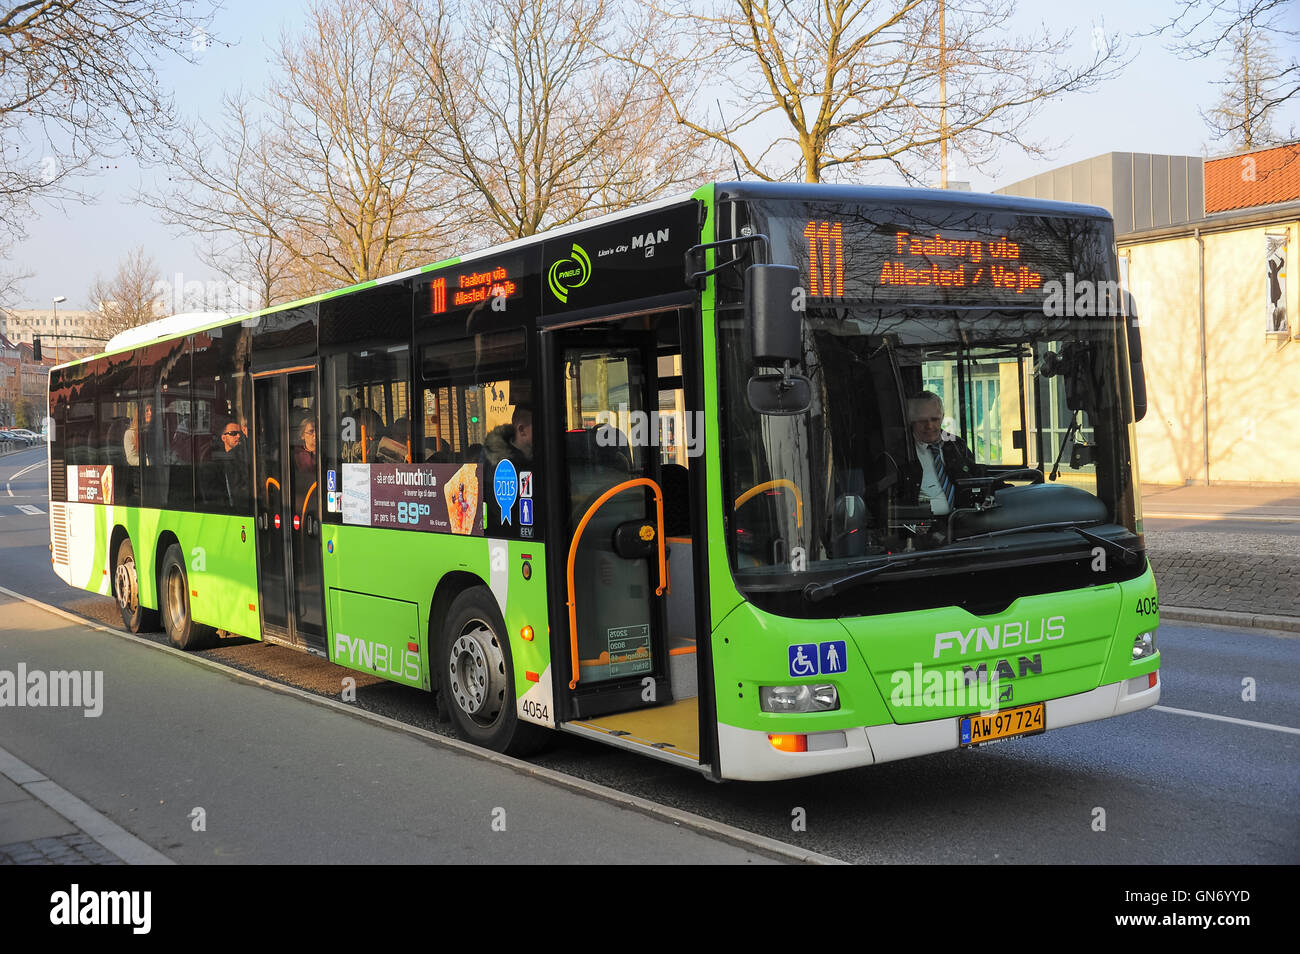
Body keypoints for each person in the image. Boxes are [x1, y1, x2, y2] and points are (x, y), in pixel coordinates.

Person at [908, 390, 980, 516]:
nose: (929, 426)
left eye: (935, 419)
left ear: (942, 417)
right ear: (912, 420)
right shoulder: (902, 452)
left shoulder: (956, 444)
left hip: (961, 519)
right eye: (922, 420)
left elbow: (974, 476)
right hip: (920, 526)